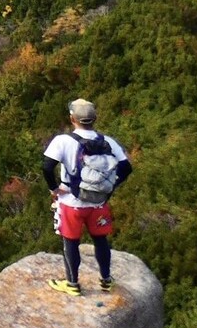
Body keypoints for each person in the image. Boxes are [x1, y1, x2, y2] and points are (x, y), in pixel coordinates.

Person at [42, 98, 132, 296]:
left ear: (72, 118)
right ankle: (106, 280)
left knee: (71, 242)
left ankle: (72, 284)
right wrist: (110, 187)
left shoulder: (63, 141)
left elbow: (47, 167)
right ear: (94, 119)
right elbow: (126, 167)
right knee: (101, 240)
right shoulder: (108, 141)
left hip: (71, 203)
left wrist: (55, 189)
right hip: (99, 203)